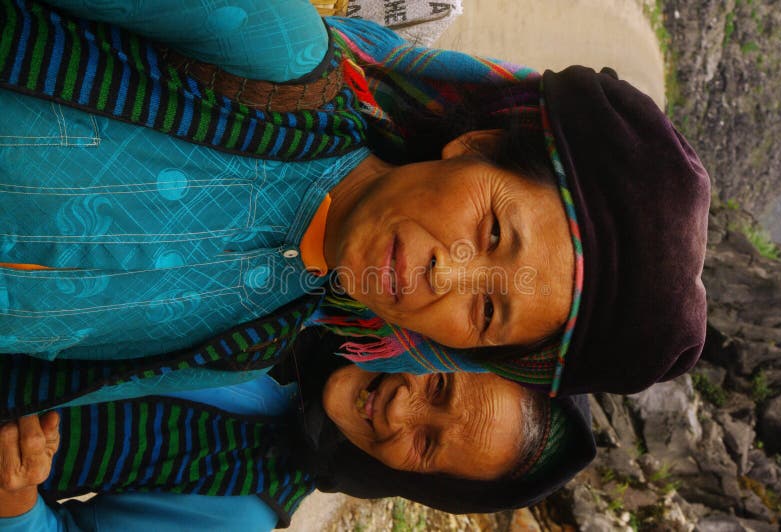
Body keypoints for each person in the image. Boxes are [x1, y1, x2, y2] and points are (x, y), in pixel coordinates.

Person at [0, 0, 710, 407]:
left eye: (488, 312)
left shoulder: (246, 348)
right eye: (493, 231)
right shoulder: (270, 55)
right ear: (473, 145)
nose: (447, 277)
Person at [0, 344, 596, 530]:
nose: (399, 410)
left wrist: (15, 497)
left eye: (427, 446)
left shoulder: (241, 504)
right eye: (439, 385)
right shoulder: (307, 277)